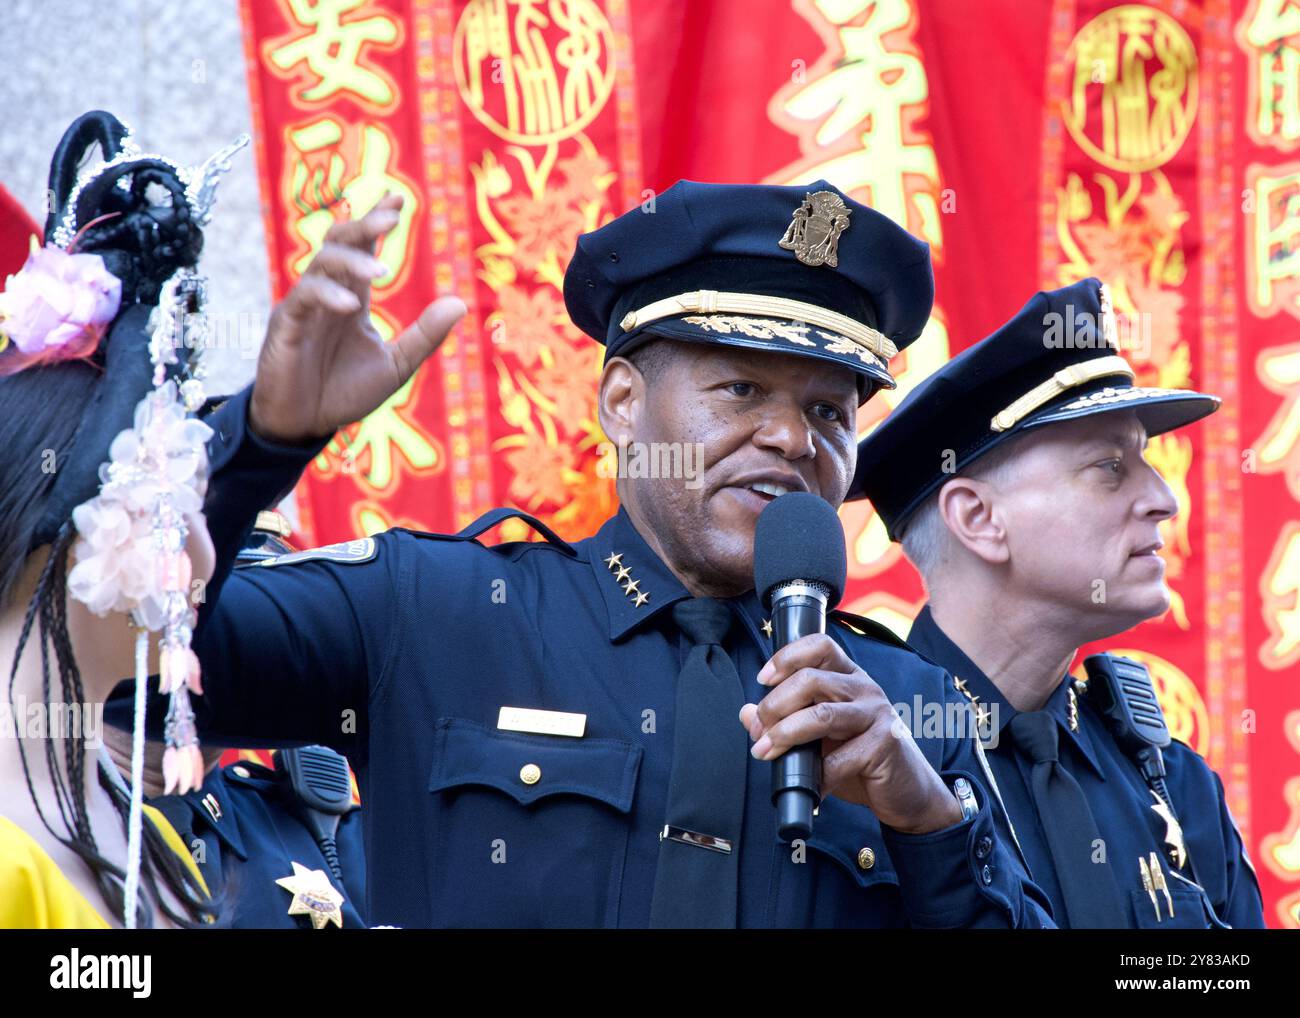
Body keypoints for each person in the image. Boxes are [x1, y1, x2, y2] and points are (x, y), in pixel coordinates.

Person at [114, 179, 1053, 927]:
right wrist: (258, 445)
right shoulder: (428, 609)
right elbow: (122, 674)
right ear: (621, 404)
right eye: (739, 389)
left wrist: (927, 822)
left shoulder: (909, 704)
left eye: (826, 412)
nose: (790, 440)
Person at [849, 278, 1265, 928]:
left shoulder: (1171, 783)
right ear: (979, 517)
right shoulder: (857, 758)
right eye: (1108, 466)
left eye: (1146, 460)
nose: (1165, 498)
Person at [102, 511, 368, 930]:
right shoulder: (28, 821)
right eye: (188, 617)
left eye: (244, 627)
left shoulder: (328, 829)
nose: (212, 650)